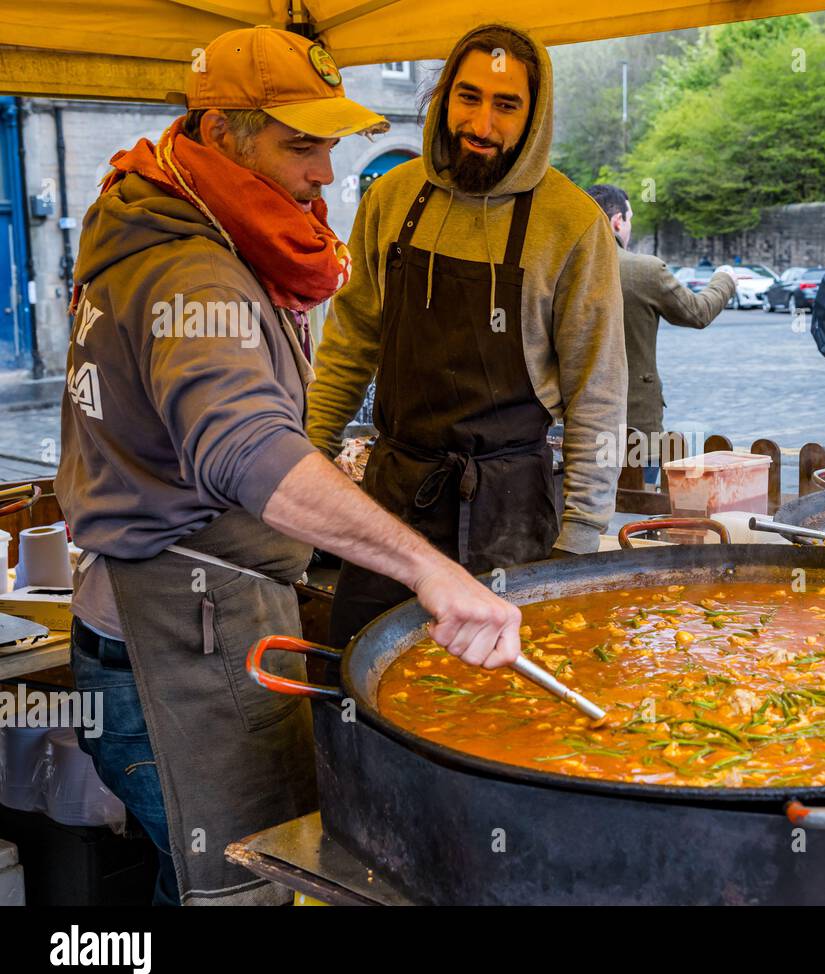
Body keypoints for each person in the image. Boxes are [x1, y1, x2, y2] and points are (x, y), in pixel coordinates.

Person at [57, 26, 522, 906]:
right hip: (179, 646)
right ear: (223, 130)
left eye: (331, 144)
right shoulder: (192, 273)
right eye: (298, 143)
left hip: (144, 623)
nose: (325, 172)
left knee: (199, 882)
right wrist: (432, 567)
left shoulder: (146, 214)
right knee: (239, 892)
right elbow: (246, 448)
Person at [307, 24, 627, 645]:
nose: (481, 123)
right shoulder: (391, 199)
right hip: (392, 500)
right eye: (468, 96)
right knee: (358, 671)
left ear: (534, 116)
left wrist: (581, 538)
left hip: (509, 509)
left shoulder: (573, 224)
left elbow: (599, 393)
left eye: (506, 105)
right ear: (443, 96)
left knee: (499, 703)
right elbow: (350, 342)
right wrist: (308, 457)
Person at [585, 184, 735, 474]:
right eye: (629, 219)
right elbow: (698, 312)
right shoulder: (643, 271)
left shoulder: (556, 266)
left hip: (570, 426)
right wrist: (724, 279)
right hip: (635, 425)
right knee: (637, 505)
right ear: (617, 221)